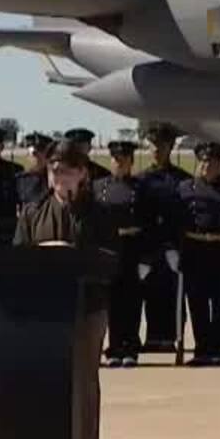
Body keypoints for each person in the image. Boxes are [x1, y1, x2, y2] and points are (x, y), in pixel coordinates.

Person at [175, 141, 220, 367]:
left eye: (211, 163)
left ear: (219, 164)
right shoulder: (185, 189)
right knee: (198, 303)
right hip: (195, 253)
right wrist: (175, 251)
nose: (206, 167)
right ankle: (202, 349)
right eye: (203, 162)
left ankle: (219, 350)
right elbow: (177, 224)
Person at [92, 140, 152, 366]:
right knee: (111, 300)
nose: (119, 164)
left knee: (132, 299)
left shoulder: (142, 188)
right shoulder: (99, 187)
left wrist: (147, 258)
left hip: (133, 247)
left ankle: (130, 347)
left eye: (124, 160)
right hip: (109, 246)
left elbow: (149, 224)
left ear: (131, 162)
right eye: (116, 160)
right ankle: (115, 347)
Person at [137, 123, 190, 356]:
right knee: (151, 294)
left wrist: (176, 247)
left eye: (162, 146)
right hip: (150, 247)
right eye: (153, 146)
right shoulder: (141, 180)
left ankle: (172, 337)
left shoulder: (182, 180)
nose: (157, 150)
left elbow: (185, 215)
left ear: (170, 147)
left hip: (173, 248)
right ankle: (153, 337)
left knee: (173, 293)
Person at [14, 142, 94, 245]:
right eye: (56, 171)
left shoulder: (99, 214)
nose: (61, 178)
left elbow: (110, 255)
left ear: (82, 173)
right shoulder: (32, 213)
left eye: (67, 171)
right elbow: (19, 256)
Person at [15, 133, 55, 208]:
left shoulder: (56, 179)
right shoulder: (21, 180)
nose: (37, 156)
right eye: (34, 153)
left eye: (41, 152)